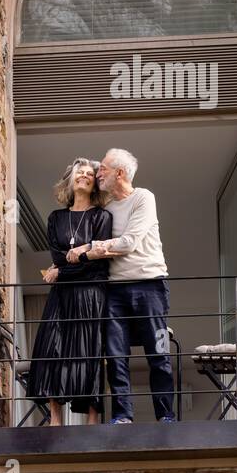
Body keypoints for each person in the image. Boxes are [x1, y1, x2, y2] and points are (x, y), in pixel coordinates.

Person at [69, 148, 175, 424]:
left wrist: (88, 249)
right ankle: (122, 416)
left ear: (120, 172)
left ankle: (166, 415)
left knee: (159, 353)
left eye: (103, 169)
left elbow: (129, 243)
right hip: (114, 291)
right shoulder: (106, 211)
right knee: (116, 356)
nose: (98, 173)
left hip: (150, 287)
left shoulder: (144, 197)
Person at [27, 158, 113, 425]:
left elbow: (98, 263)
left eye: (89, 174)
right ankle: (55, 418)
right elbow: (57, 256)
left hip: (90, 294)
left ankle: (92, 419)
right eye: (80, 172)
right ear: (70, 179)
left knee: (89, 350)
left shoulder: (102, 217)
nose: (84, 176)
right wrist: (70, 264)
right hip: (62, 294)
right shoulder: (56, 218)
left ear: (95, 184)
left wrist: (62, 271)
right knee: (52, 348)